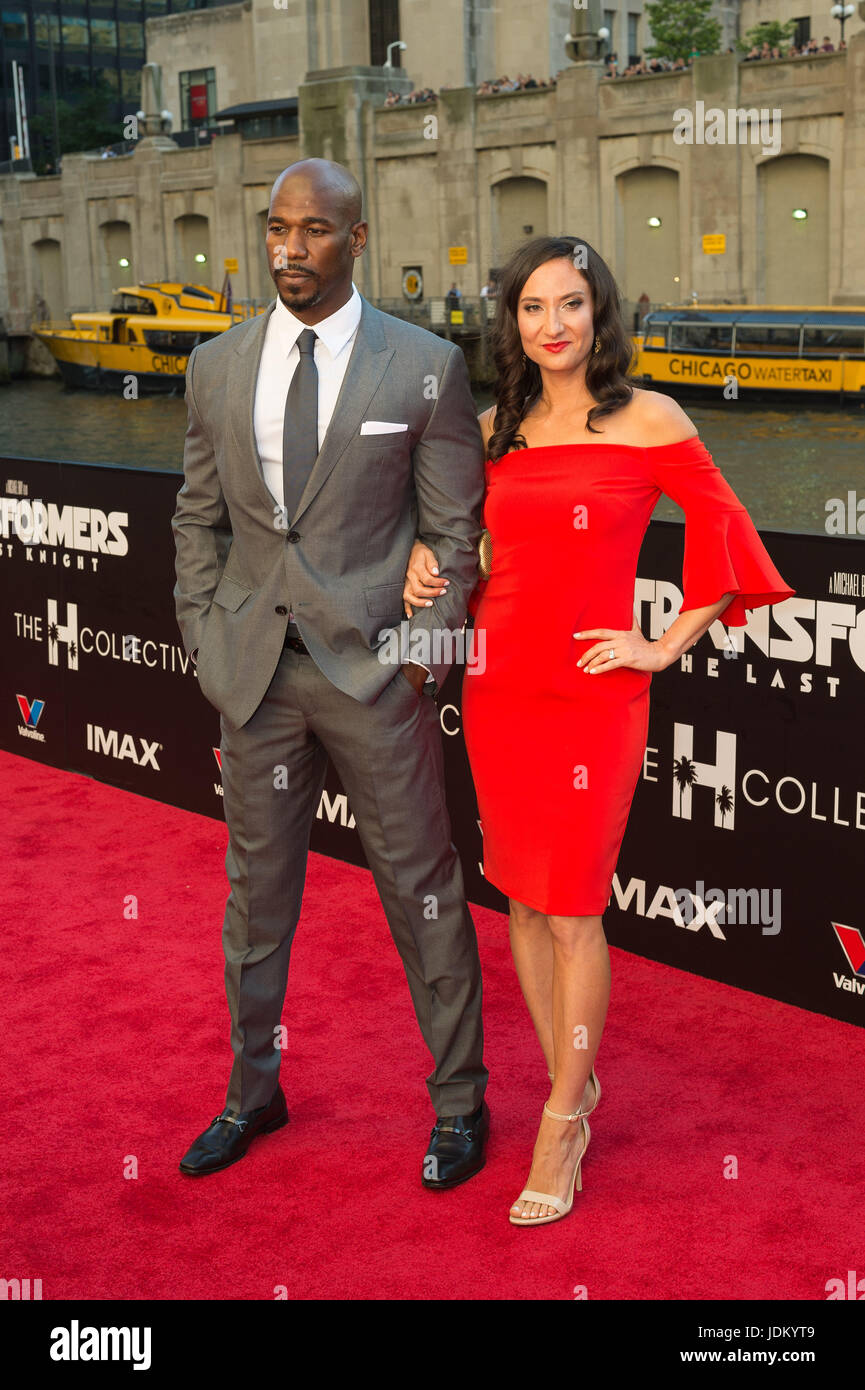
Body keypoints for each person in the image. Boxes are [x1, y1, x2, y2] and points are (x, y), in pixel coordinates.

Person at [403, 234, 795, 1226]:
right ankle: (571, 1082)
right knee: (523, 906)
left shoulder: (647, 416)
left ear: (599, 313)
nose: (552, 325)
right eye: (532, 308)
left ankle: (561, 1118)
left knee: (572, 908)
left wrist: (663, 643)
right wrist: (426, 567)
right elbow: (468, 551)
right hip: (500, 691)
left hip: (591, 693)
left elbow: (729, 532)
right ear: (513, 324)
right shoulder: (493, 428)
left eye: (570, 304)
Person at [172, 157, 490, 1188]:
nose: (289, 250)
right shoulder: (215, 365)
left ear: (356, 242)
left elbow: (455, 535)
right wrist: (203, 631)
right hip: (255, 678)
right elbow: (197, 518)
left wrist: (417, 670)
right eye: (275, 228)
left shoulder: (424, 366)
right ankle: (252, 1091)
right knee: (254, 901)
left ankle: (458, 1105)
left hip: (376, 684)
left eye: (313, 231)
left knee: (422, 894)